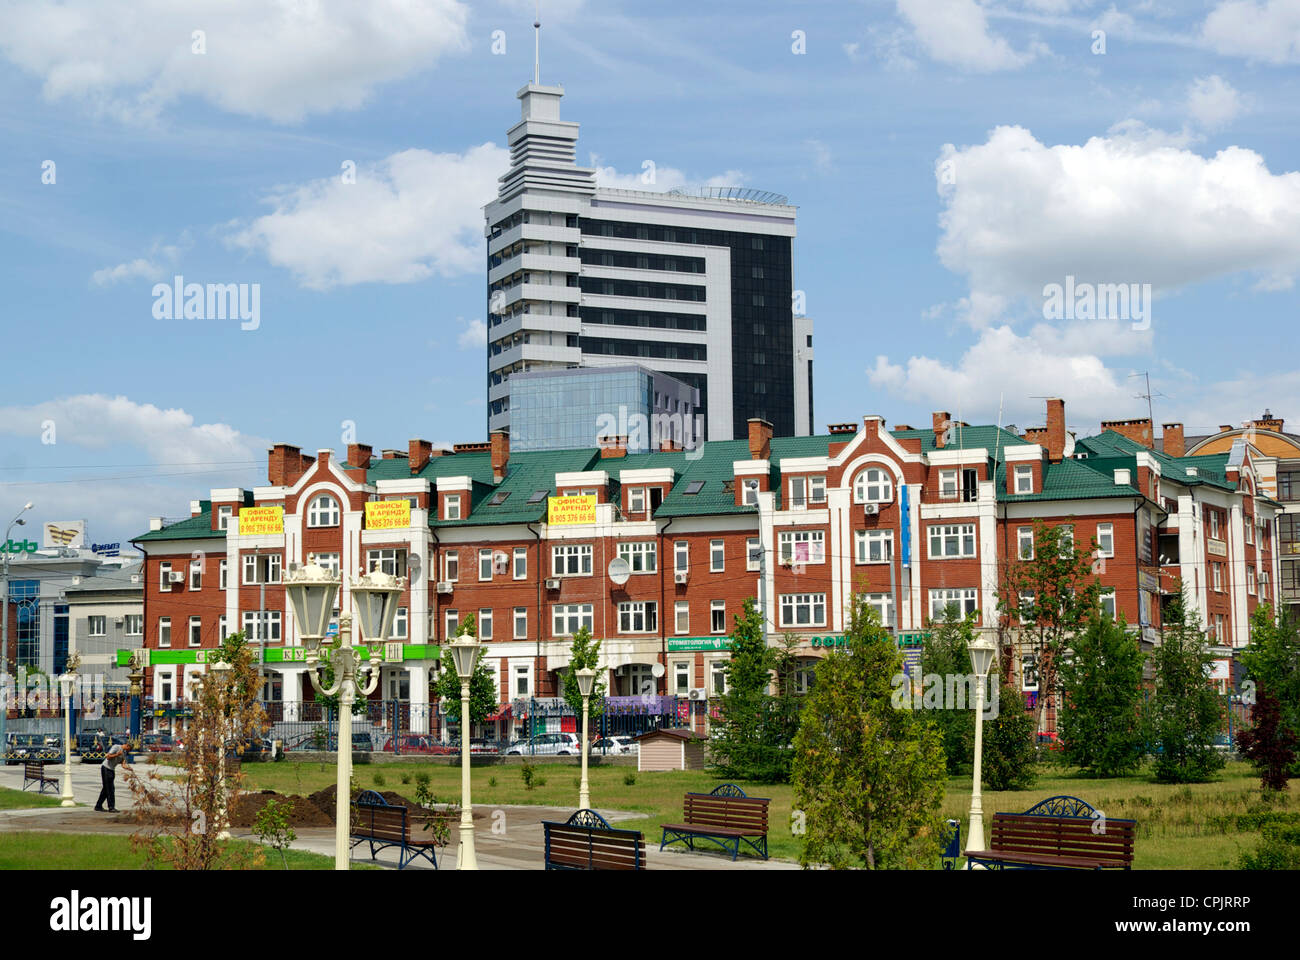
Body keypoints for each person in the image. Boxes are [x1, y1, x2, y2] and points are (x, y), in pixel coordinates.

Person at [94, 740, 130, 812]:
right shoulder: (116, 747)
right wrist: (117, 754)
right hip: (106, 768)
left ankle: (98, 806)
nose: (129, 750)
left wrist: (128, 768)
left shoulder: (124, 753)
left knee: (106, 788)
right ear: (127, 745)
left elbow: (123, 764)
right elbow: (108, 756)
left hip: (112, 769)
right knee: (110, 789)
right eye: (129, 748)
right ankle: (111, 807)